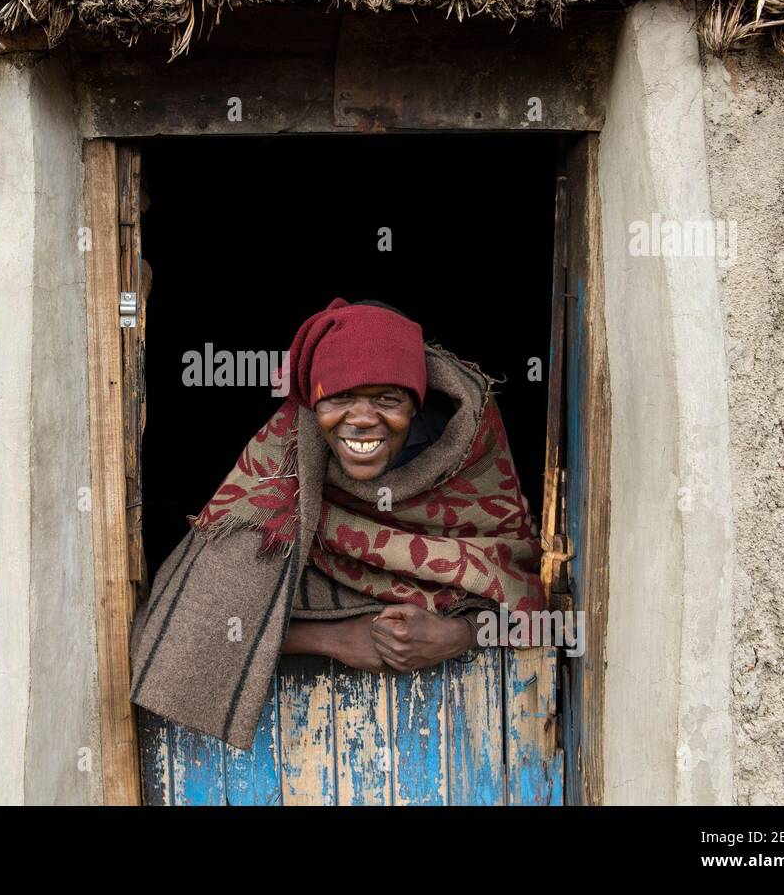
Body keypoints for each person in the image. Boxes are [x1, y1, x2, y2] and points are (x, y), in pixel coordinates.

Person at [129, 297, 544, 750]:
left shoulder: (472, 470)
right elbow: (178, 629)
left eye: (388, 399)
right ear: (314, 404)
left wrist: (456, 635)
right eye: (340, 397)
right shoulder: (275, 479)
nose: (362, 420)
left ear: (417, 404)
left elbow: (536, 608)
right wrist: (335, 639)